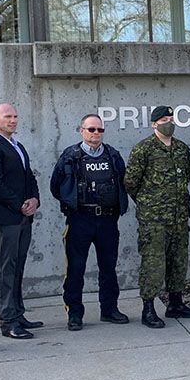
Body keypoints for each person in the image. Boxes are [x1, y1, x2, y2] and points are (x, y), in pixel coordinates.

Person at [50, 113, 130, 331]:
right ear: (81, 131)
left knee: (108, 267)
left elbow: (124, 182)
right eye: (91, 129)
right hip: (80, 220)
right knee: (75, 269)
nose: (96, 133)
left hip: (107, 220)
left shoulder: (112, 155)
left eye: (100, 130)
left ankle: (110, 309)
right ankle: (74, 314)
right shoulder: (70, 156)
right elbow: (56, 185)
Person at [124, 106, 190, 328]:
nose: (169, 122)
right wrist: (149, 203)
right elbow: (131, 183)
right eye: (164, 119)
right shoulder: (143, 149)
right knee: (153, 263)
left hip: (179, 217)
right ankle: (148, 308)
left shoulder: (182, 149)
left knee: (178, 261)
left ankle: (175, 304)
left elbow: (188, 177)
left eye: (171, 118)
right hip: (154, 220)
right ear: (154, 124)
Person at [0, 103, 43, 340]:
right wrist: (19, 205)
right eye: (8, 116)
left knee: (18, 267)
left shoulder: (17, 145)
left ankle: (18, 313)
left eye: (15, 116)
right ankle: (8, 321)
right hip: (6, 218)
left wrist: (35, 199)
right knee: (6, 269)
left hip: (23, 217)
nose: (13, 120)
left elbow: (29, 177)